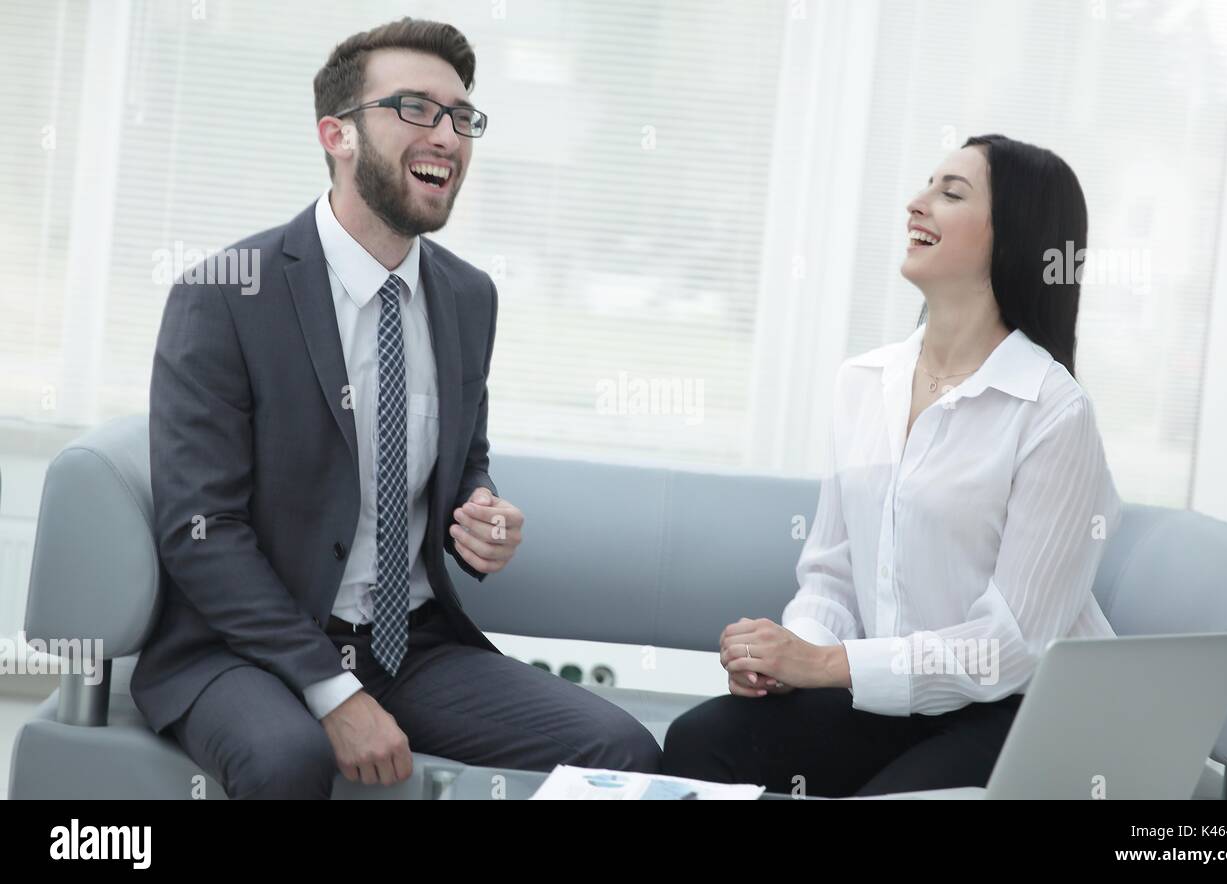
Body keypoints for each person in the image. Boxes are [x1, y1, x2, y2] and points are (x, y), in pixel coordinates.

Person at [131, 17, 660, 799]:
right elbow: (200, 532)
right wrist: (332, 691)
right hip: (241, 648)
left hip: (409, 644)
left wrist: (479, 508)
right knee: (289, 759)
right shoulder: (225, 295)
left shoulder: (468, 297)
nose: (446, 133)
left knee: (621, 747)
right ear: (337, 135)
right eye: (416, 108)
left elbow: (464, 454)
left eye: (460, 116)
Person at [661, 134, 1122, 797]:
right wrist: (787, 656)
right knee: (702, 741)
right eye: (926, 185)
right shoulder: (863, 382)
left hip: (1015, 712)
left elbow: (1010, 644)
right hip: (886, 695)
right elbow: (832, 576)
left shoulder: (1055, 412)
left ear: (1013, 236)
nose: (917, 203)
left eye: (950, 193)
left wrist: (826, 662)